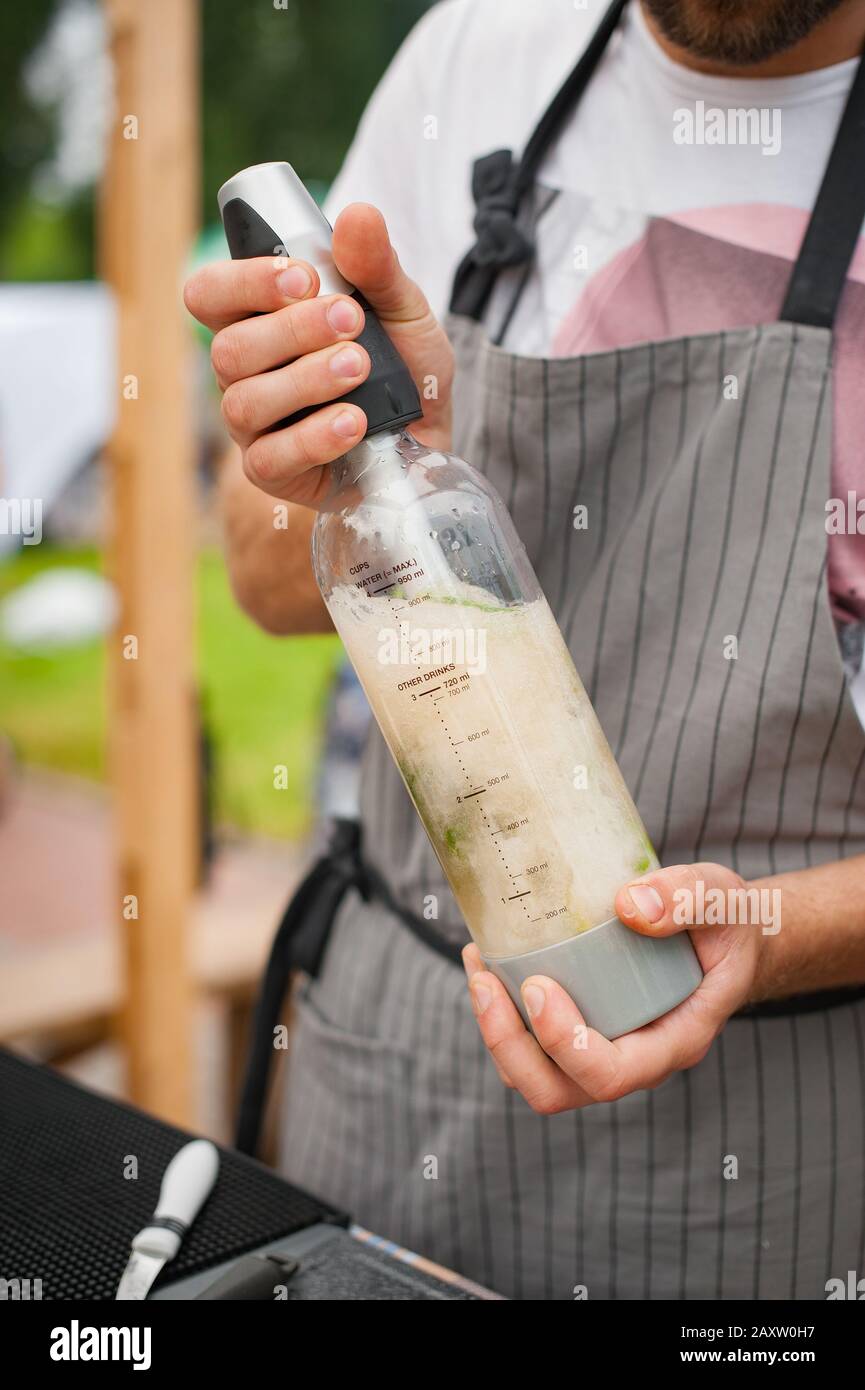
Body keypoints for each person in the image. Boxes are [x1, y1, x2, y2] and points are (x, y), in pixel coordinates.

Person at [184, 0, 865, 1300]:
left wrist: (775, 928)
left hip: (774, 1169)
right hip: (393, 1086)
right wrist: (335, 459)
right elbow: (272, 582)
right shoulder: (478, 54)